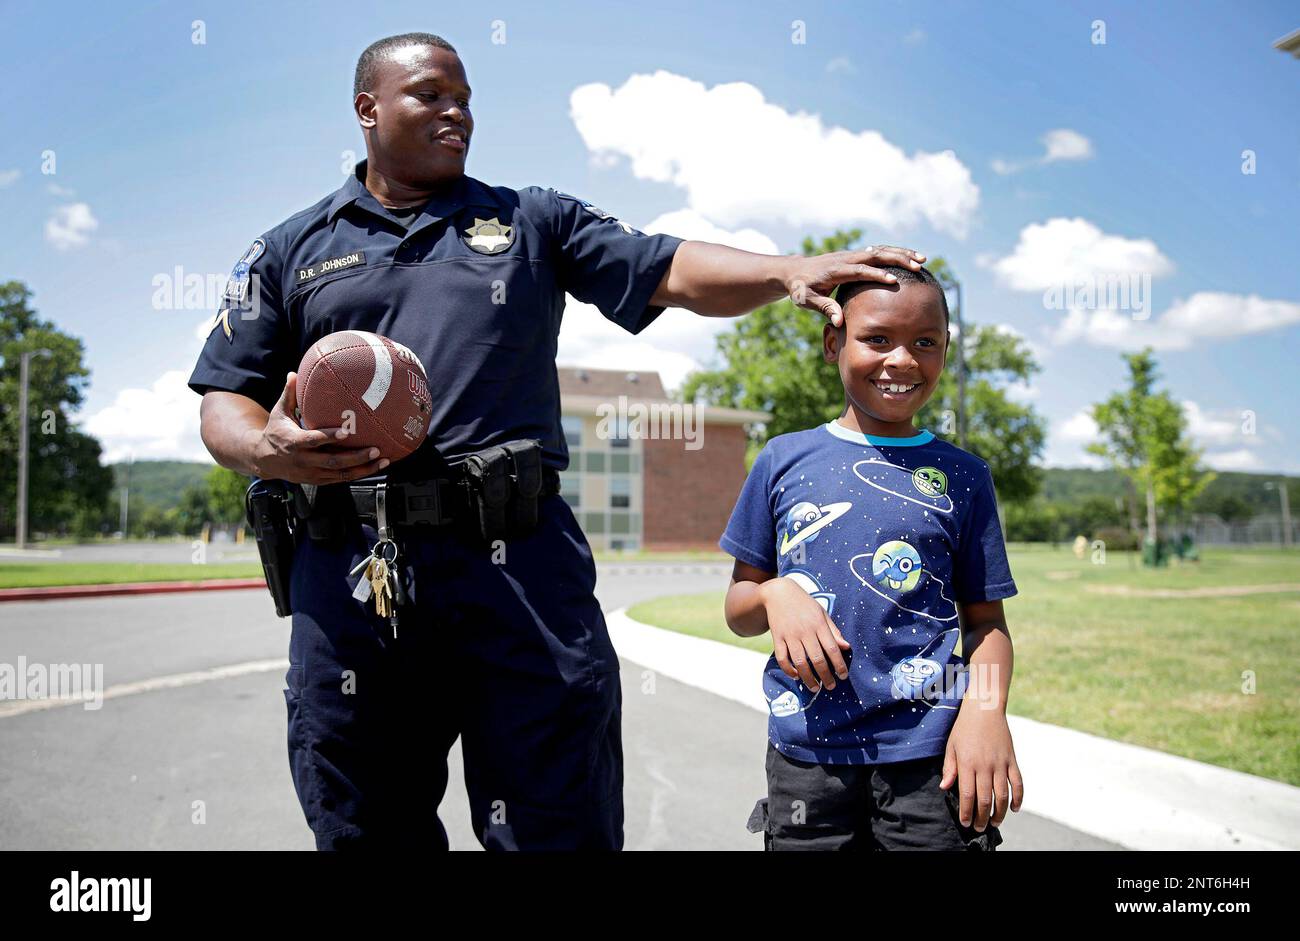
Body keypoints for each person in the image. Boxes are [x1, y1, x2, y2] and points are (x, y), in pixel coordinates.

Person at [188, 31, 926, 851]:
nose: (456, 111)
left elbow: (668, 268)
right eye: (430, 94)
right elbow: (225, 401)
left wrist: (785, 270)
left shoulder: (529, 220)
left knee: (558, 826)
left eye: (464, 97)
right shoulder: (291, 249)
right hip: (356, 573)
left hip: (520, 570)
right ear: (368, 109)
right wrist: (267, 450)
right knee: (364, 823)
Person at [719, 265, 1024, 850]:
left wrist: (986, 714)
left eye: (925, 343)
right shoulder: (782, 460)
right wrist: (775, 593)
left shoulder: (965, 476)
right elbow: (738, 608)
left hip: (932, 758)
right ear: (834, 342)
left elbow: (986, 623)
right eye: (878, 339)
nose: (902, 360)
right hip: (806, 755)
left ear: (945, 351)